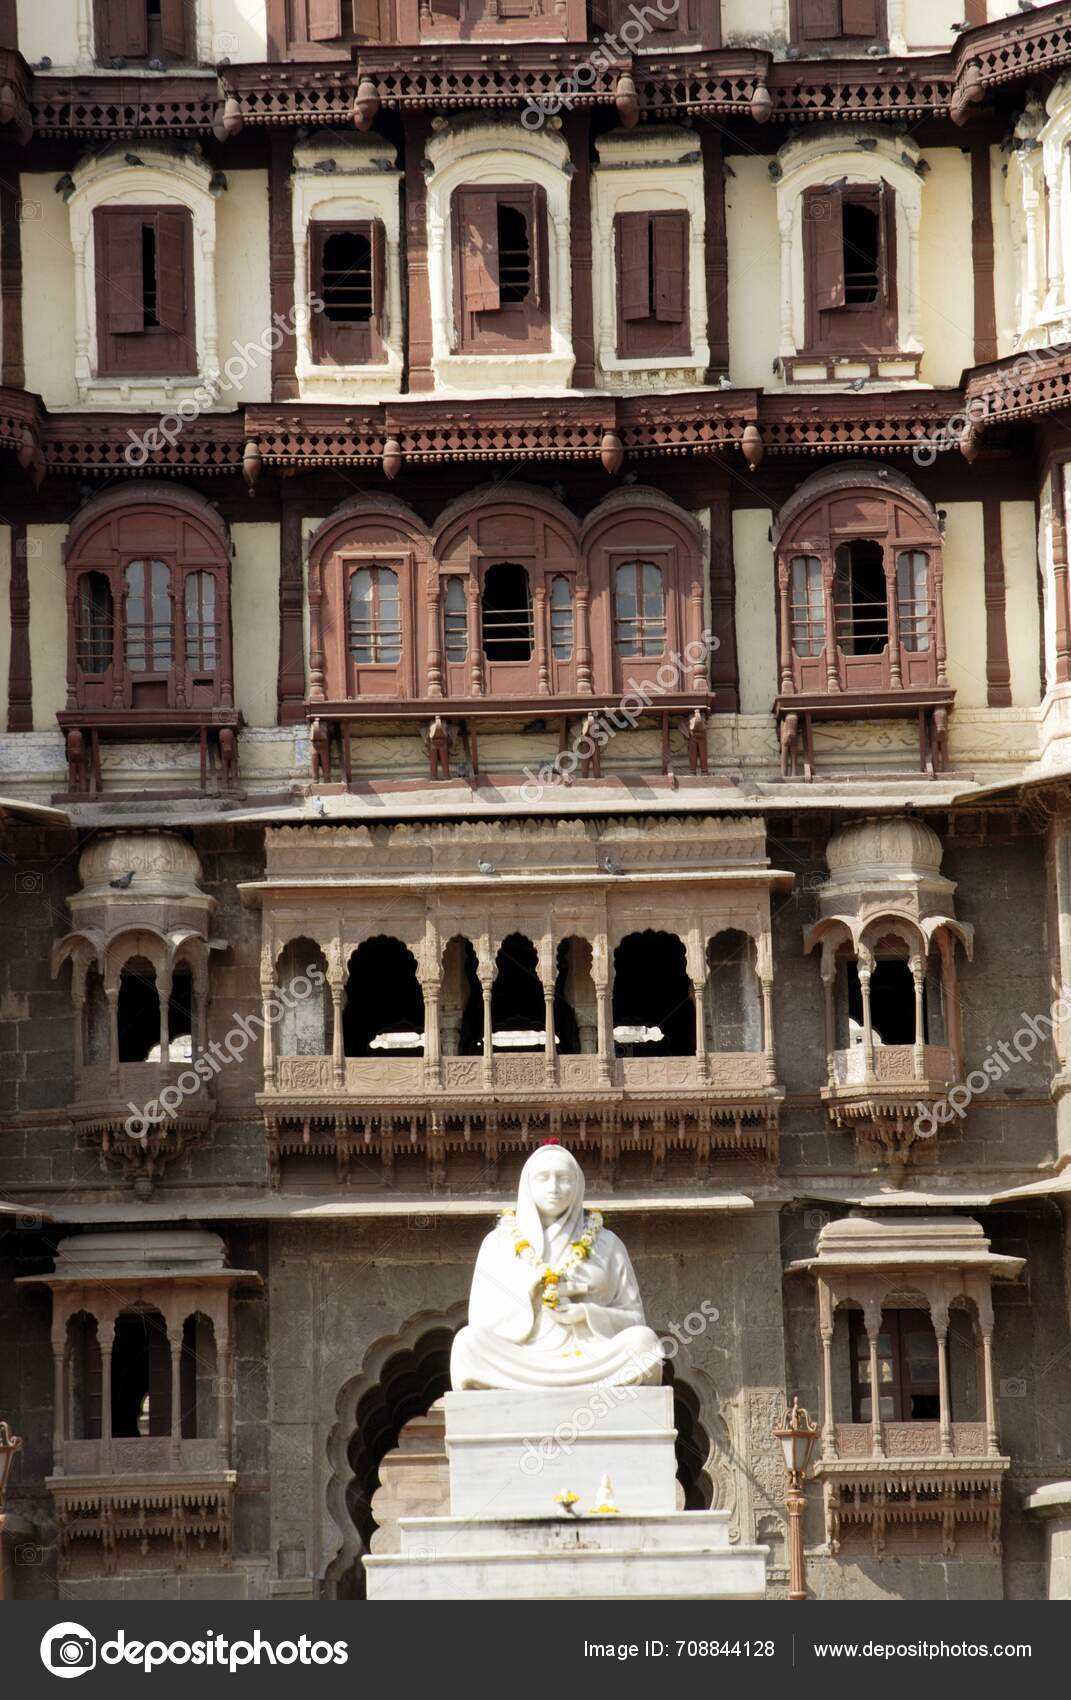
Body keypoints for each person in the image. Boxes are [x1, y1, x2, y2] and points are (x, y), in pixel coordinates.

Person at [450, 1143, 663, 1390]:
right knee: (467, 1343)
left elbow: (634, 1318)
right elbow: (481, 1321)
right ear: (528, 1184)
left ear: (577, 1185)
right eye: (543, 1178)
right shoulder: (497, 1243)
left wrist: (585, 1313)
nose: (553, 1188)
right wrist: (528, 1291)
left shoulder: (608, 1243)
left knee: (644, 1343)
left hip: (589, 1356)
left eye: (563, 1179)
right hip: (521, 1357)